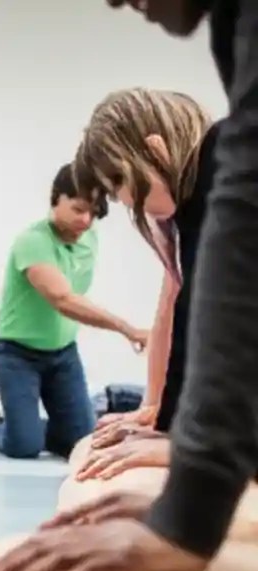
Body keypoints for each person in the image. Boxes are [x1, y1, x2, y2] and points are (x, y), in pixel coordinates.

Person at [0, 0, 258, 571]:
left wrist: (189, 494)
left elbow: (233, 286)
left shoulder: (215, 162)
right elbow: (183, 304)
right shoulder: (233, 32)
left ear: (157, 150)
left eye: (121, 187)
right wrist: (163, 420)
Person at [67, 89, 216, 482]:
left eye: (119, 181)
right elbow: (175, 302)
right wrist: (158, 409)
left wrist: (188, 439)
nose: (120, 197)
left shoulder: (223, 189)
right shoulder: (189, 209)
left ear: (156, 149)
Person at [0, 163, 148, 460]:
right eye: (78, 209)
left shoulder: (89, 238)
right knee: (24, 447)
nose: (85, 220)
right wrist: (127, 328)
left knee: (80, 443)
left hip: (62, 354)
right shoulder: (32, 242)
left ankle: (38, 426)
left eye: (94, 213)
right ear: (55, 199)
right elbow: (63, 299)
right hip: (17, 354)